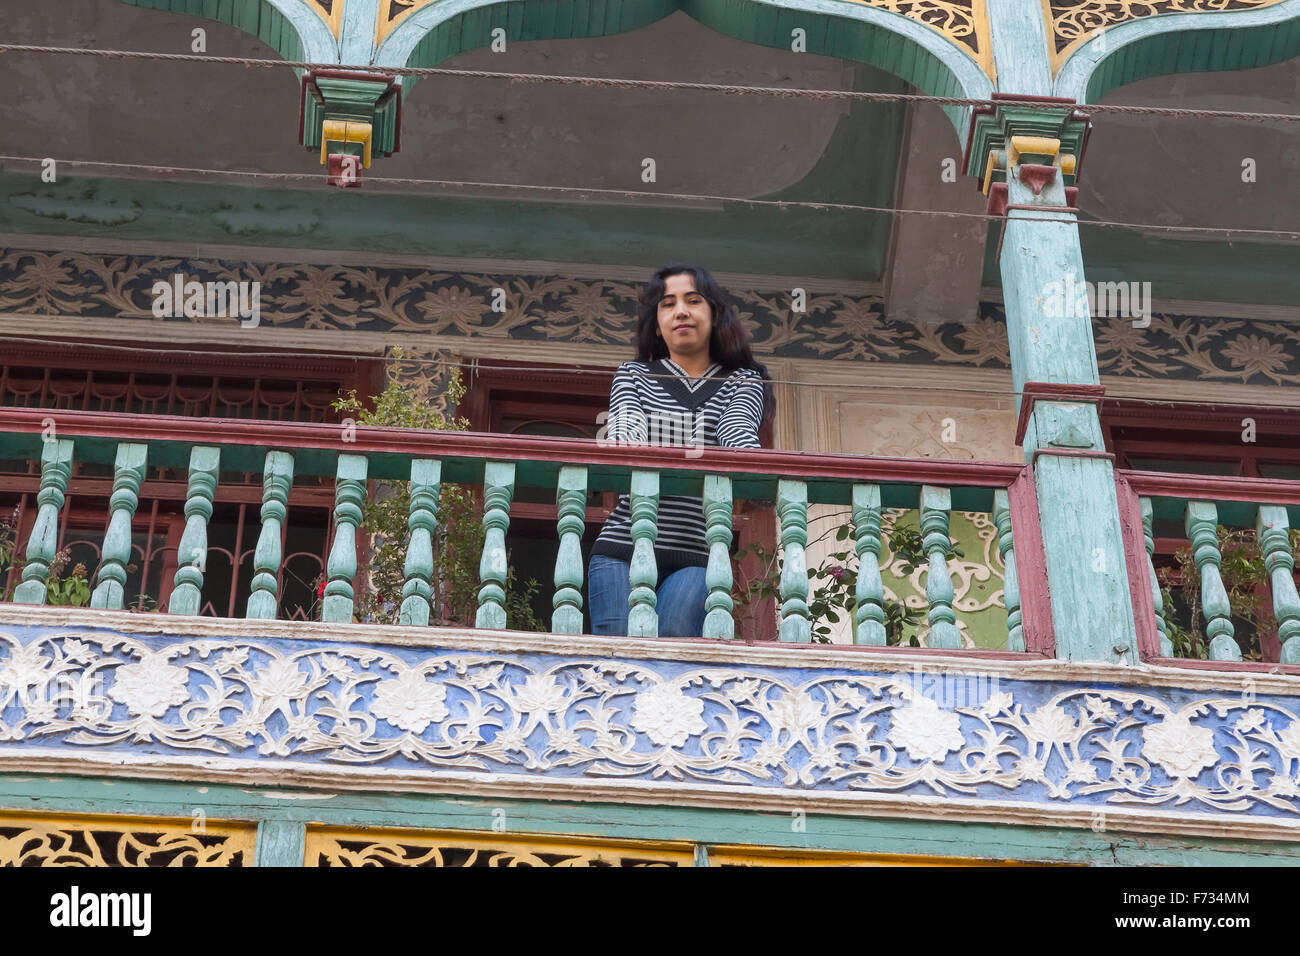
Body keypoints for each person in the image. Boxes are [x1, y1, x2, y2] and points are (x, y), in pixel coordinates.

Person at [588, 263, 775, 637]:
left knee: (673, 643)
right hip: (621, 549)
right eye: (667, 304)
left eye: (693, 300)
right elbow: (626, 429)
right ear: (657, 324)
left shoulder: (743, 381)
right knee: (614, 659)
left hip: (694, 555)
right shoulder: (634, 374)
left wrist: (761, 478)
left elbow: (735, 431)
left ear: (714, 315)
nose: (681, 311)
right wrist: (625, 445)